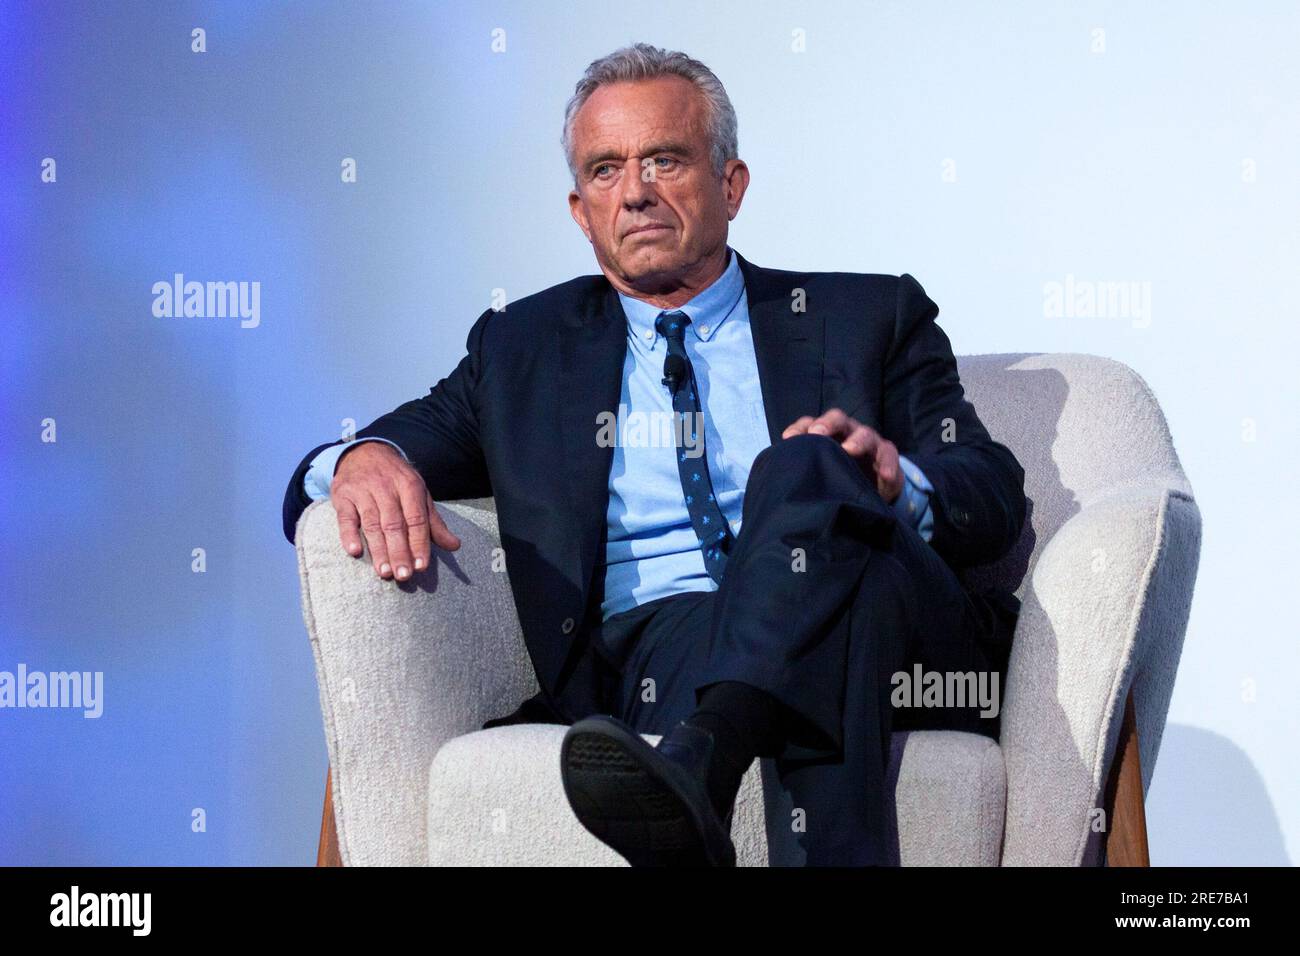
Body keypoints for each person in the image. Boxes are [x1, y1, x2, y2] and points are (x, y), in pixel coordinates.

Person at [281, 43, 1026, 866]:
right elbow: (354, 454)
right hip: (664, 646)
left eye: (664, 159)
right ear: (579, 209)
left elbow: (990, 494)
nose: (634, 191)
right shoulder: (521, 351)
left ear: (731, 185)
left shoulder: (866, 314)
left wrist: (895, 481)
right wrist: (363, 460)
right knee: (818, 627)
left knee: (810, 468)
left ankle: (702, 756)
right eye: (605, 171)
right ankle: (719, 738)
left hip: (904, 627)